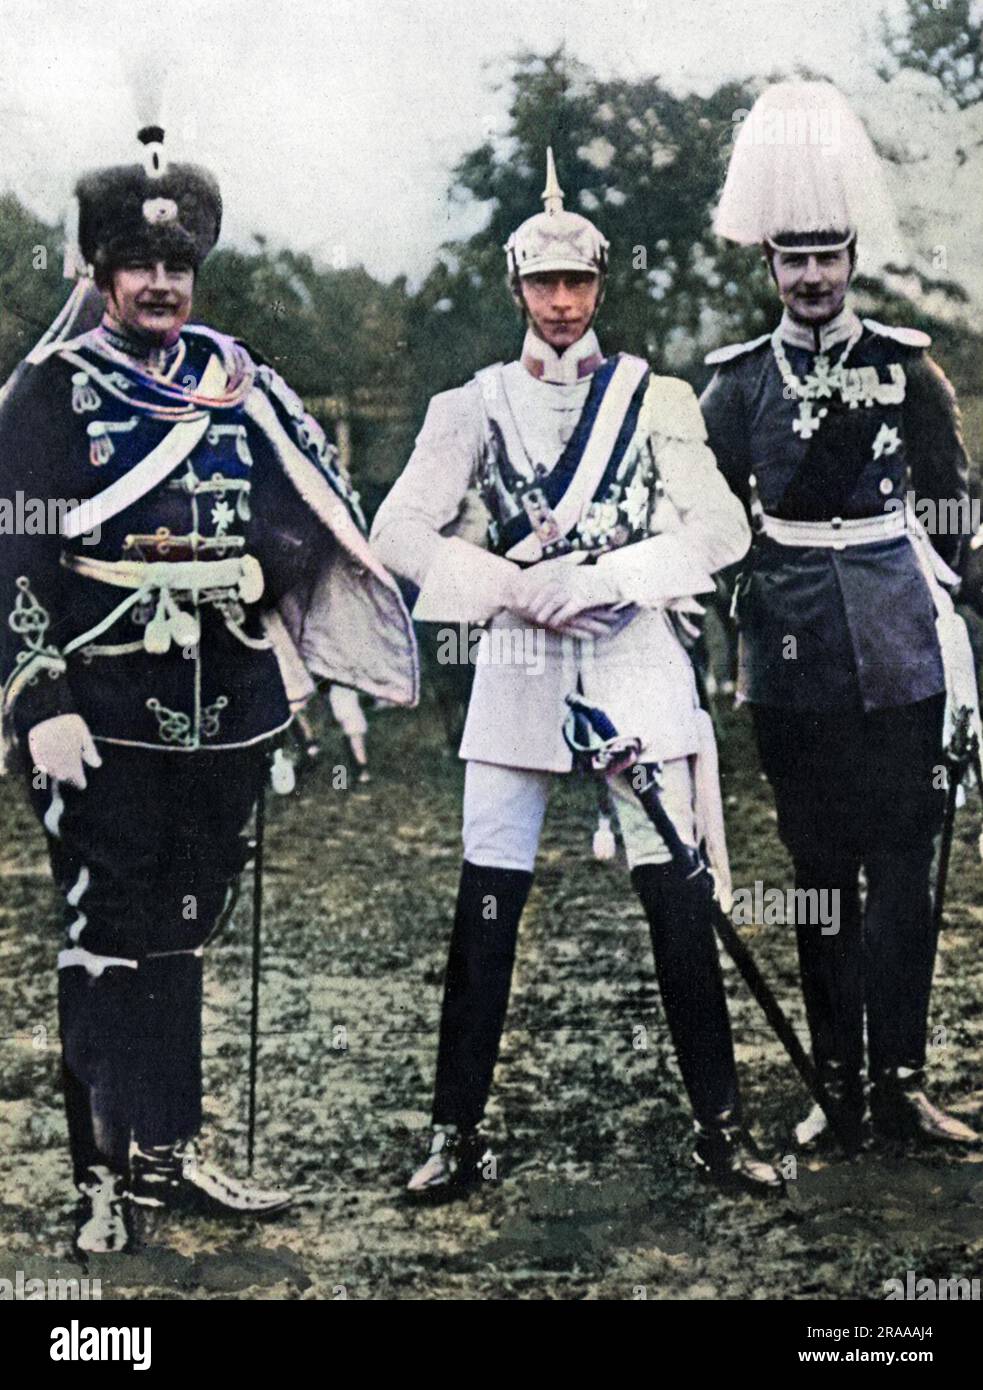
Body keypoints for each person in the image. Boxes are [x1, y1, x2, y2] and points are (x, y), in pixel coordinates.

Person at [0, 127, 418, 1253]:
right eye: (137, 266)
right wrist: (40, 701)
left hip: (227, 701)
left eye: (178, 267)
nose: (160, 285)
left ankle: (170, 1149)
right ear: (98, 272)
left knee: (185, 928)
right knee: (105, 933)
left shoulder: (243, 384)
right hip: (106, 705)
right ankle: (100, 1177)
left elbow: (313, 509)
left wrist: (271, 572)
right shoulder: (50, 393)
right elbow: (16, 553)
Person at [371, 150, 781, 1198]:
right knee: (488, 894)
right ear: (517, 288)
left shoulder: (656, 399)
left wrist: (608, 572)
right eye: (543, 285)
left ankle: (720, 1128)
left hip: (627, 652)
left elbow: (721, 528)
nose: (560, 303)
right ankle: (454, 1132)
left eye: (578, 284)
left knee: (673, 895)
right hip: (515, 660)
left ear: (599, 288)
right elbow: (398, 532)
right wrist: (508, 587)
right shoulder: (469, 404)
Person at [700, 82, 978, 1152]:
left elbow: (950, 505)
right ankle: (837, 1085)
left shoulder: (904, 370)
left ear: (850, 255)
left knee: (903, 876)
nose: (809, 275)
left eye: (825, 254)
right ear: (766, 265)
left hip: (902, 654)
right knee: (817, 881)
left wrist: (973, 582)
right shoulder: (732, 388)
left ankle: (903, 1081)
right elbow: (712, 520)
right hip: (792, 663)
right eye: (789, 257)